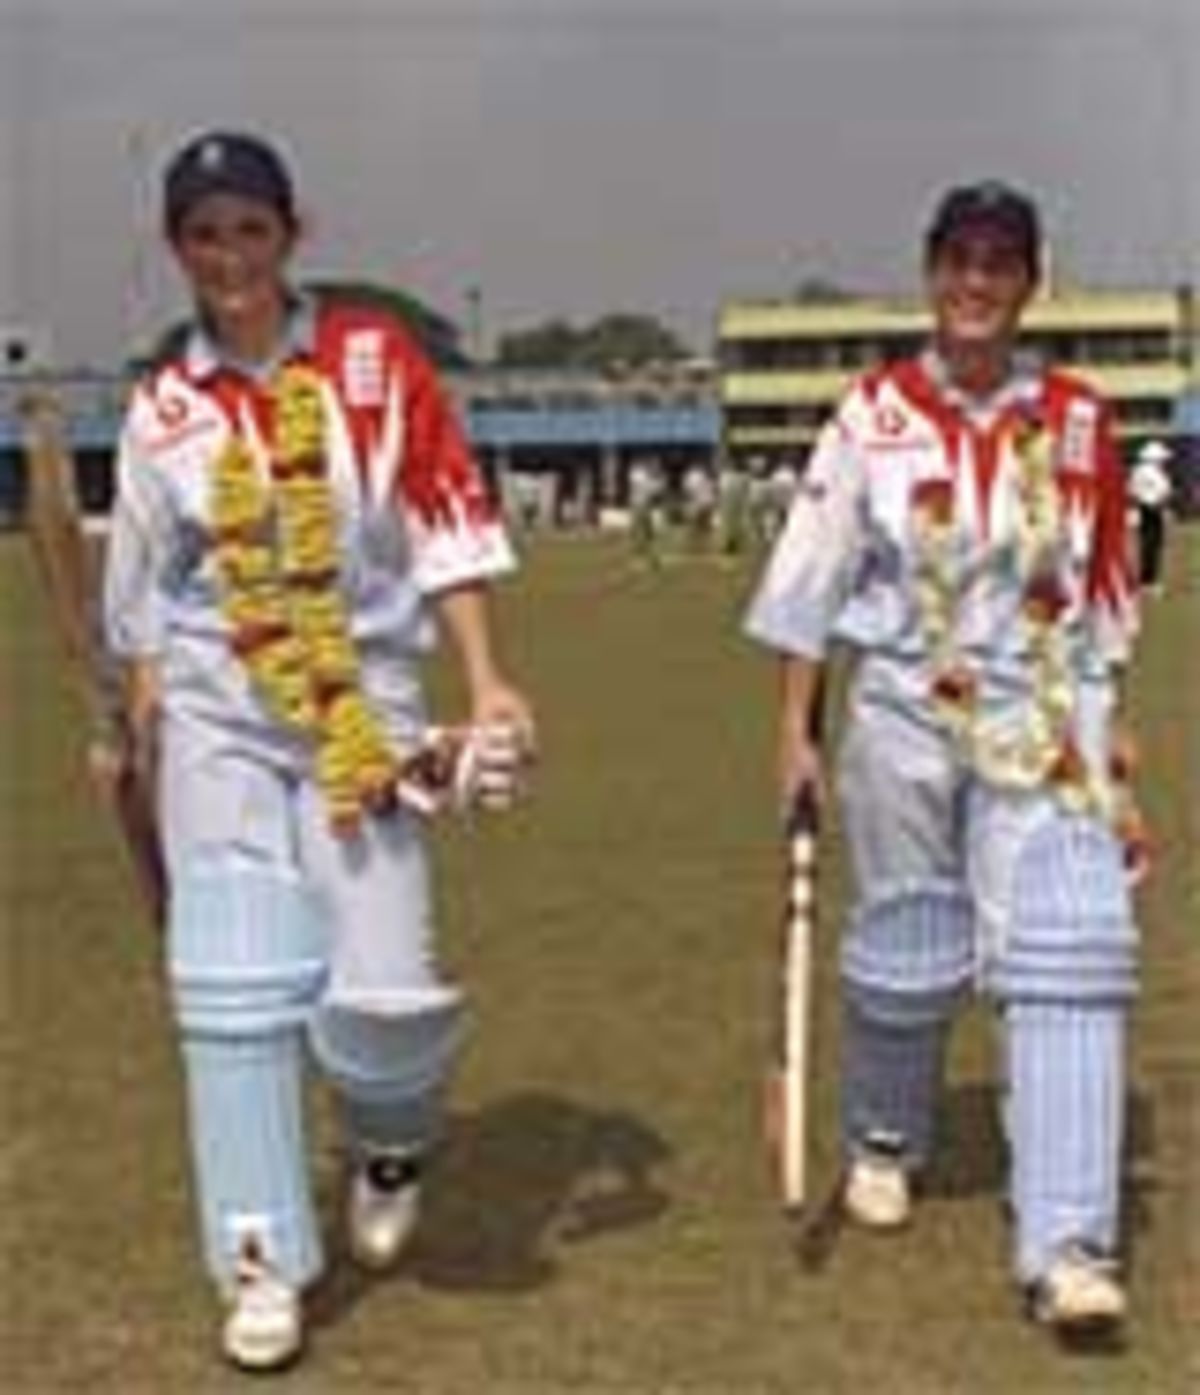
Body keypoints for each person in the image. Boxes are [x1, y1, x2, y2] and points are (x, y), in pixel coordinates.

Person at [103, 130, 535, 1371]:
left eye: (250, 229)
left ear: (296, 233)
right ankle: (260, 1260)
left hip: (367, 698)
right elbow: (145, 590)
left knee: (385, 995)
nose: (229, 257)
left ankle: (390, 1142)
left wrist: (490, 680)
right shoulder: (164, 408)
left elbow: (446, 513)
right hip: (217, 711)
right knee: (234, 997)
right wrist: (133, 735)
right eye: (204, 235)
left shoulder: (373, 359)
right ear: (177, 249)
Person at [745, 181, 1146, 1337]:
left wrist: (1113, 734)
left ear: (1032, 282)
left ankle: (1068, 1240)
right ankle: (885, 1134)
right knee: (907, 930)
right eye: (959, 260)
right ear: (931, 272)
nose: (977, 283)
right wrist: (792, 735)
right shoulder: (870, 414)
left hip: (1043, 710)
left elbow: (1103, 596)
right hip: (903, 712)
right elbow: (810, 584)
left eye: (1000, 263)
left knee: (1068, 946)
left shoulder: (1078, 419)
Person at [1127, 439, 1173, 595]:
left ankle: (1144, 580)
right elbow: (1163, 492)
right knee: (1152, 545)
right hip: (1152, 509)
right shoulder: (1153, 472)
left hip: (1143, 508)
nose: (1164, 461)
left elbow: (1131, 490)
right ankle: (1148, 581)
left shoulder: (1137, 471)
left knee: (1145, 545)